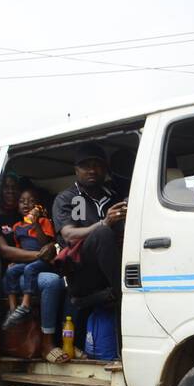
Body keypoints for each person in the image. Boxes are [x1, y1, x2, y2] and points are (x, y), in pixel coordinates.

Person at [52, 142, 128, 343]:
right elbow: (69, 234)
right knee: (102, 232)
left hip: (109, 266)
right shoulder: (71, 198)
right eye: (86, 166)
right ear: (76, 170)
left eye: (98, 165)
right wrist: (105, 222)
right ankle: (124, 292)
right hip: (81, 272)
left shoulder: (113, 196)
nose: (92, 170)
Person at [0, 188, 68, 363]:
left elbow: (47, 244)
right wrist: (21, 259)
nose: (26, 204)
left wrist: (36, 224)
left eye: (30, 201)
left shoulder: (43, 221)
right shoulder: (13, 225)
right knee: (11, 272)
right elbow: (10, 250)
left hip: (37, 263)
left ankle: (30, 311)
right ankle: (15, 311)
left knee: (51, 280)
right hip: (26, 262)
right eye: (22, 201)